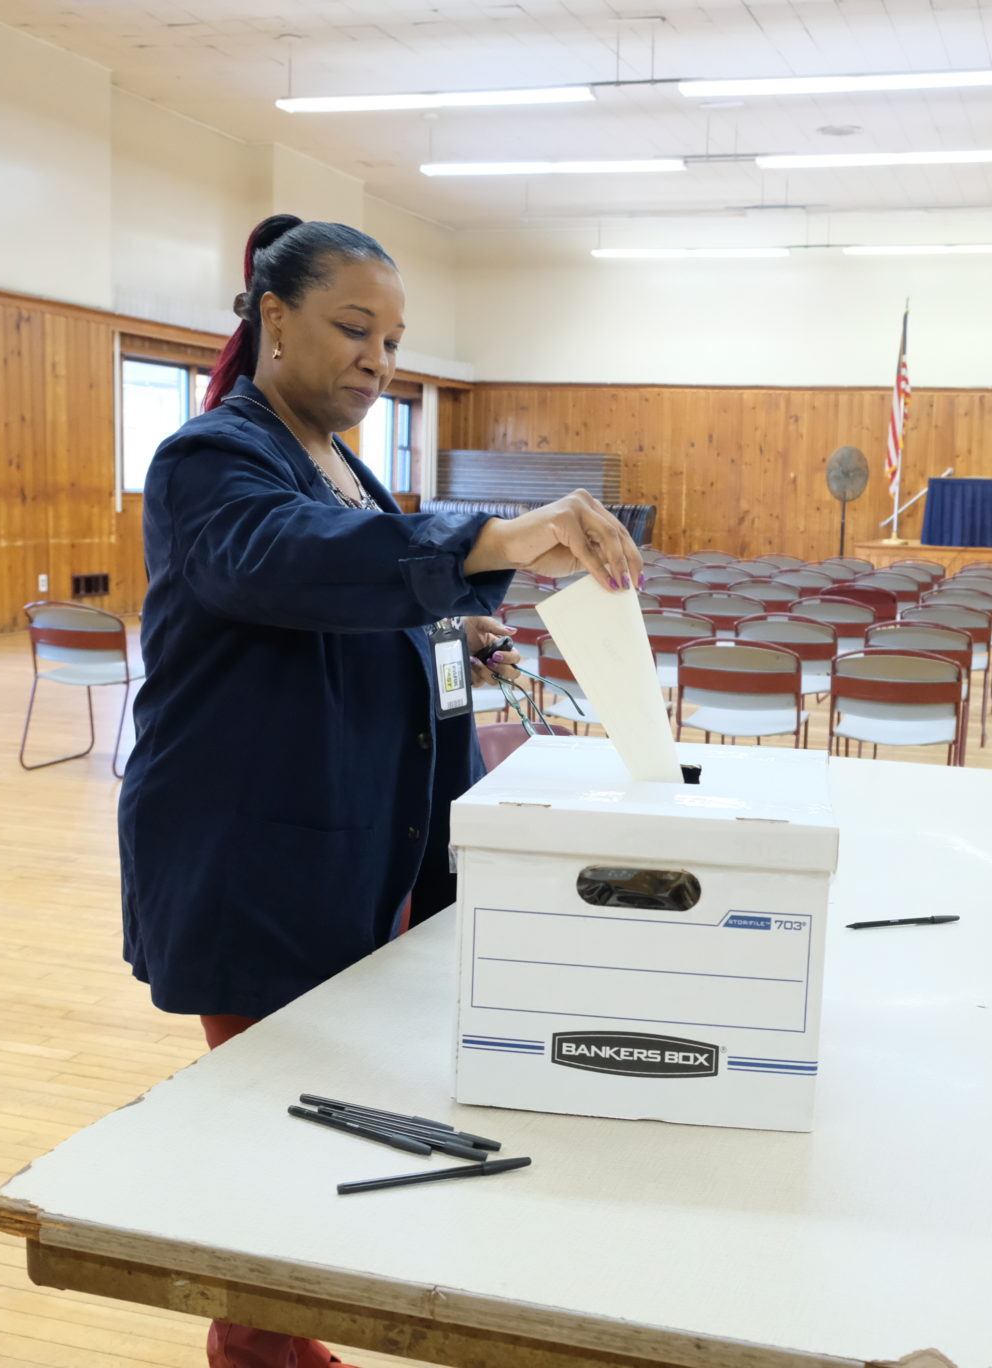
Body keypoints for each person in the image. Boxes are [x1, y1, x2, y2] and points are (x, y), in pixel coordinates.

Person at [119, 213, 643, 1368]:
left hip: (360, 846)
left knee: (308, 1123)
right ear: (272, 320)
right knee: (287, 1126)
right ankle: (258, 1346)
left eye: (393, 341)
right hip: (255, 860)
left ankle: (268, 1338)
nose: (377, 359)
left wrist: (480, 606)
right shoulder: (210, 460)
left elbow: (382, 602)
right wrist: (494, 537)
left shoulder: (343, 467)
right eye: (354, 328)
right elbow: (298, 563)